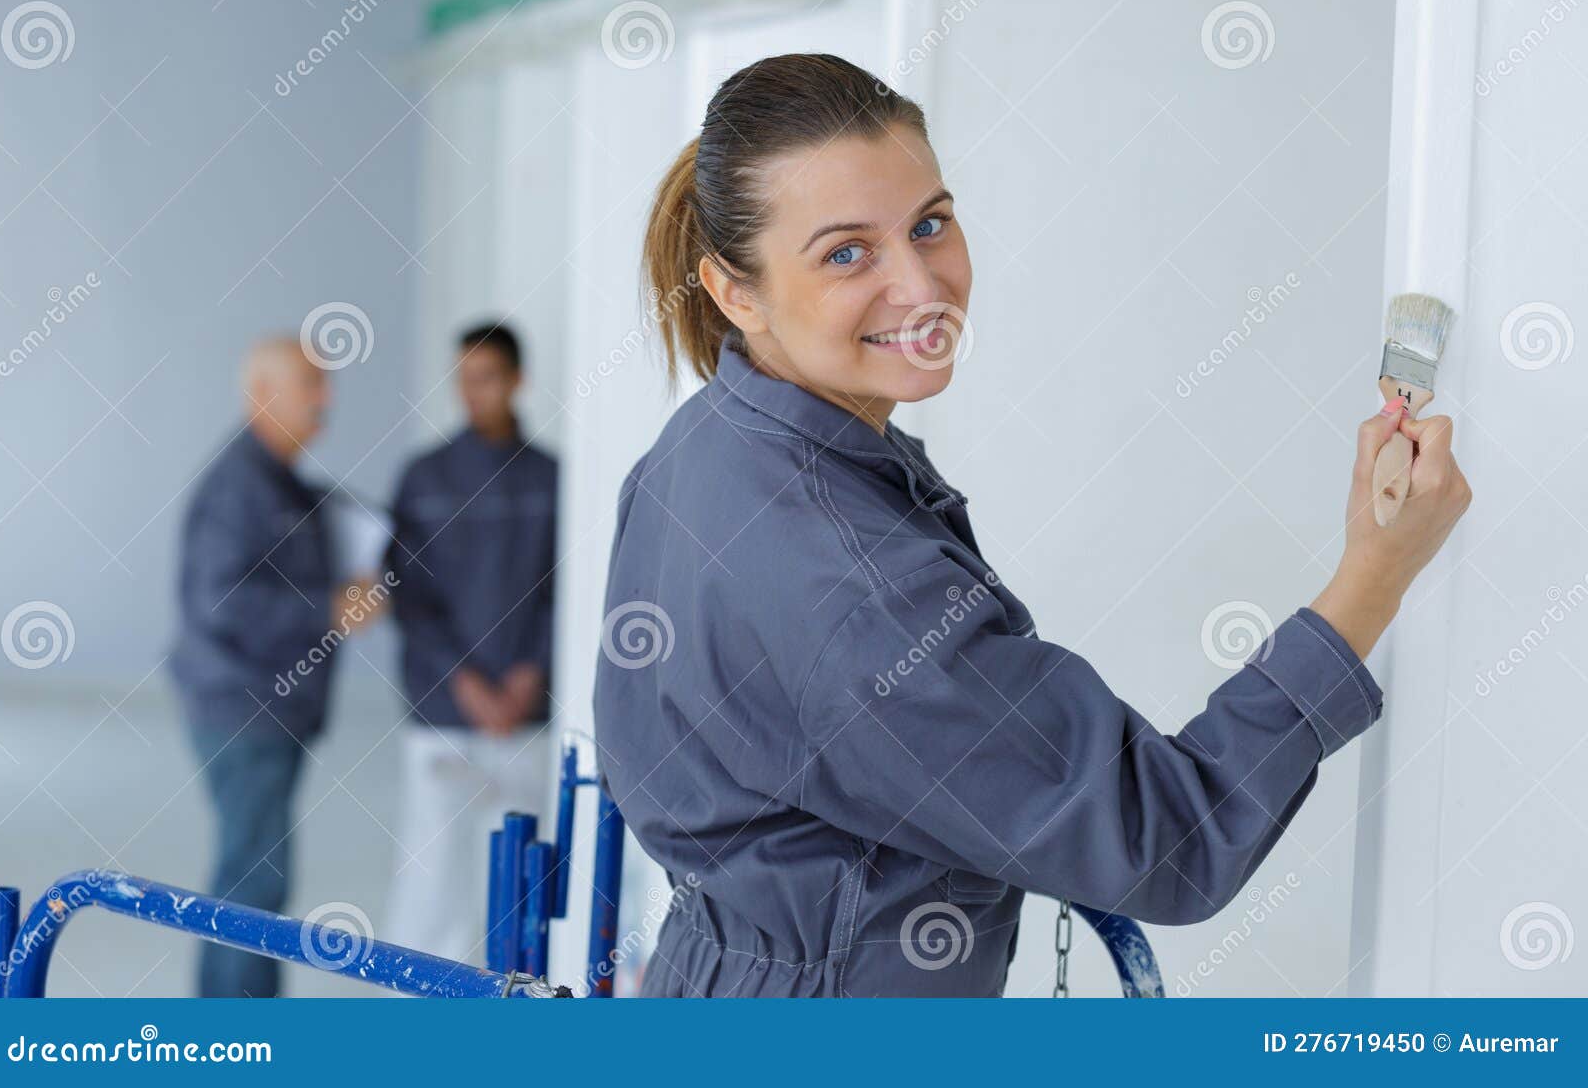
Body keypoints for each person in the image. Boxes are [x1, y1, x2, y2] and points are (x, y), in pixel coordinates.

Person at [590, 54, 1473, 997]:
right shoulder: (856, 589)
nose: (921, 284)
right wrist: (1375, 574)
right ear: (735, 291)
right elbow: (1169, 840)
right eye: (847, 253)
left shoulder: (702, 449)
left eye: (930, 224)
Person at [169, 338, 380, 997]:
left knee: (251, 876)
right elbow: (221, 600)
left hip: (266, 708)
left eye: (326, 384)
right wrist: (327, 607)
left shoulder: (281, 480)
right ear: (262, 395)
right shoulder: (240, 486)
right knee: (253, 881)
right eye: (310, 386)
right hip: (244, 708)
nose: (326, 400)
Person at [383, 322, 559, 963]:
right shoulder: (424, 479)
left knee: (519, 881)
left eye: (486, 378)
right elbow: (409, 595)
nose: (472, 393)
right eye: (463, 379)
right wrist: (465, 681)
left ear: (517, 381)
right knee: (433, 881)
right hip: (444, 715)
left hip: (525, 718)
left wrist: (528, 675)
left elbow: (559, 590)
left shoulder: (551, 480)